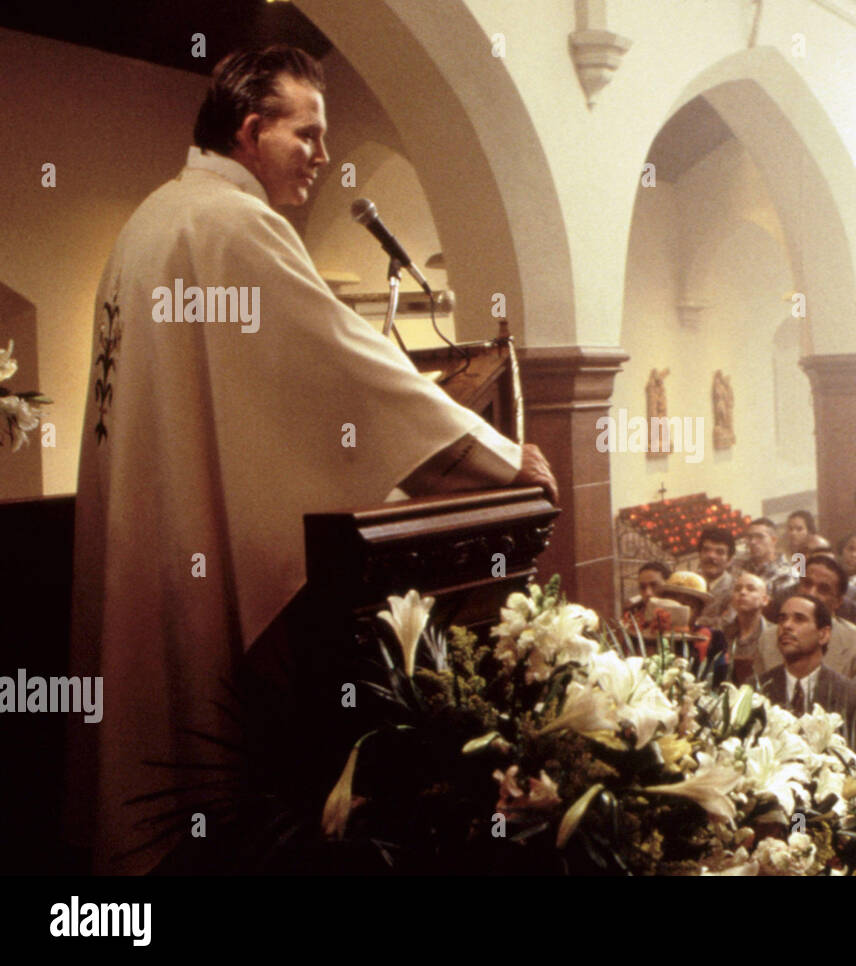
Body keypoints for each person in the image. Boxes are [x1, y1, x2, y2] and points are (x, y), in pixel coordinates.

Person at [67, 46, 558, 875]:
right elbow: (343, 361)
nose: (324, 156)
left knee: (149, 713)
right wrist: (498, 458)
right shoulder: (232, 221)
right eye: (308, 133)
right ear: (251, 131)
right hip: (184, 544)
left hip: (143, 534)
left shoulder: (152, 220)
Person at [758, 595, 856, 747]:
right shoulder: (756, 690)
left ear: (823, 635)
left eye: (799, 619)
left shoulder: (851, 697)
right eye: (782, 619)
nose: (786, 625)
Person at [723, 572, 770, 685]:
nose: (743, 593)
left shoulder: (774, 635)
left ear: (765, 600)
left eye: (751, 589)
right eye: (738, 589)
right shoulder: (722, 634)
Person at [695, 526, 738, 629]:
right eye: (706, 550)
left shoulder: (736, 589)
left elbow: (728, 622)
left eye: (719, 552)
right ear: (699, 554)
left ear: (729, 560)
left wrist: (696, 622)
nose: (711, 556)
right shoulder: (687, 583)